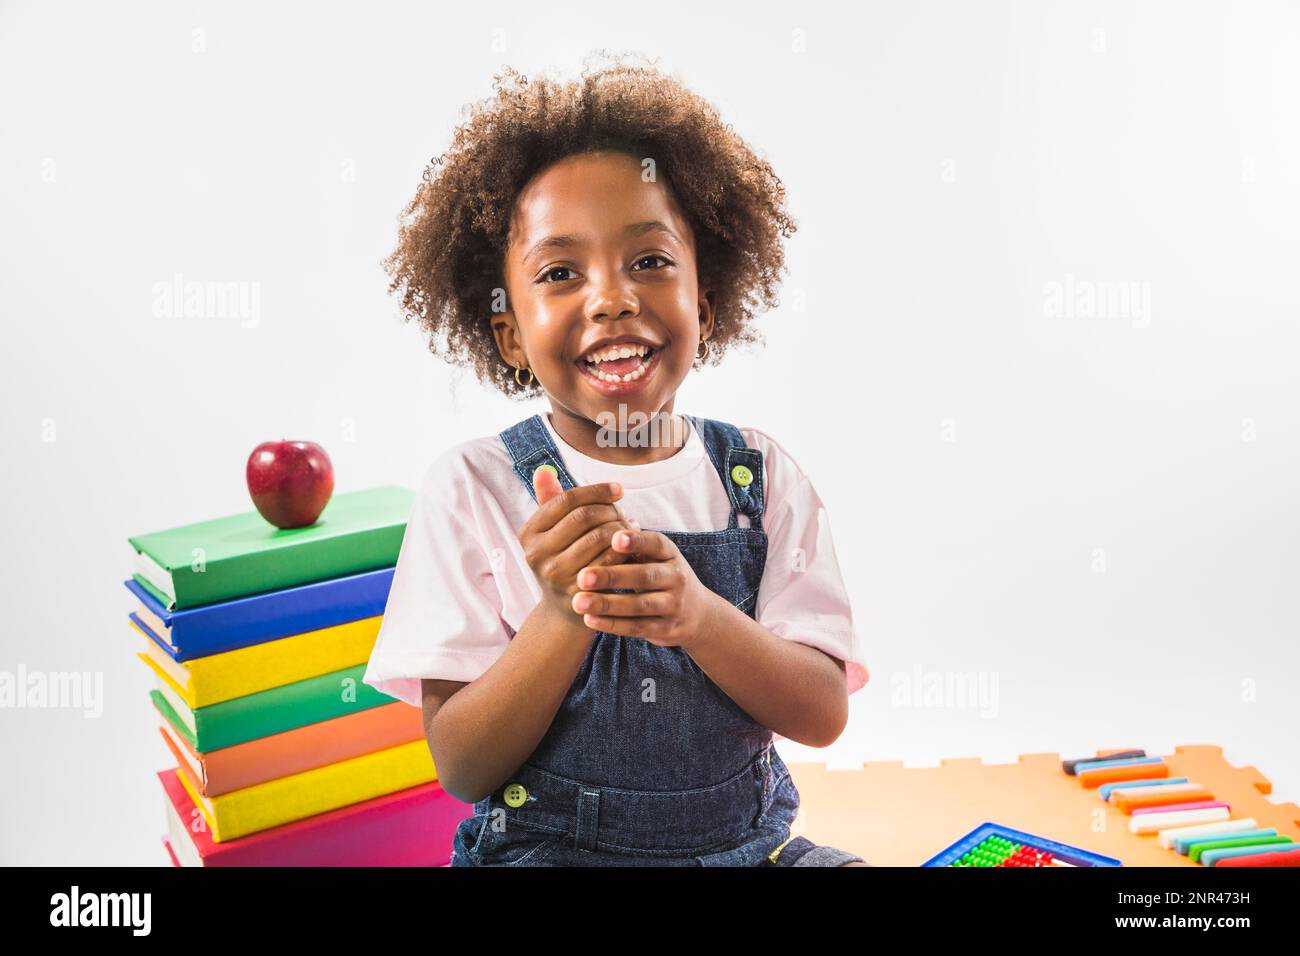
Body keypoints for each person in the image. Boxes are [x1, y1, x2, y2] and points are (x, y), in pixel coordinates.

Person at [363, 56, 870, 866]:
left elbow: (820, 713)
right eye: (560, 273)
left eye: (650, 261)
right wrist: (563, 613)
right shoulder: (474, 488)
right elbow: (462, 764)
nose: (610, 298)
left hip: (745, 849)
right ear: (510, 336)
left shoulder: (761, 477)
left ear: (704, 303)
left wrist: (700, 618)